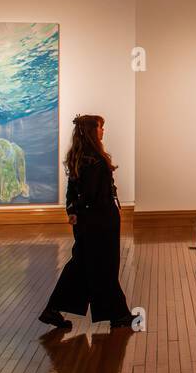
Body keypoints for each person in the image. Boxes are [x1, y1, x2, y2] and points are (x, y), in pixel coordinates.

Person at [39, 114, 135, 331]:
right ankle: (117, 314)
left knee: (82, 266)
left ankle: (54, 310)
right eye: (100, 127)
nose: (103, 131)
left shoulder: (82, 157)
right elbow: (92, 194)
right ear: (92, 131)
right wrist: (85, 210)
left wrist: (73, 210)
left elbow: (74, 191)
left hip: (92, 221)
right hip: (99, 222)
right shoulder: (93, 159)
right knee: (104, 266)